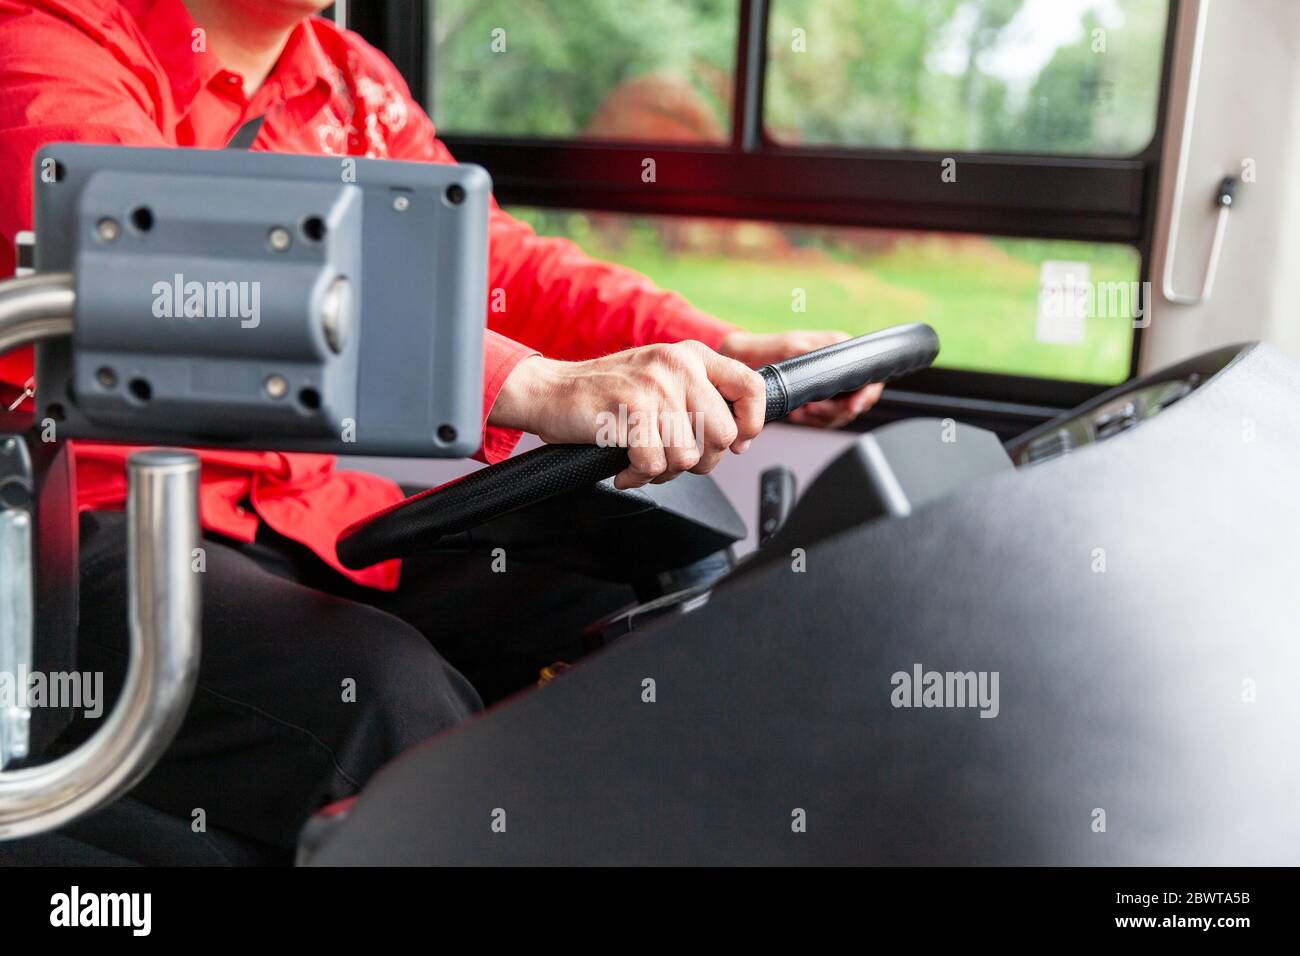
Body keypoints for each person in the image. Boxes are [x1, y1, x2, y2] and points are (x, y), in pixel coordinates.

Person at [0, 0, 883, 858]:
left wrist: (711, 347)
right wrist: (530, 382)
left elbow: (501, 268)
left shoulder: (350, 85)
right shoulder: (46, 35)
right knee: (385, 693)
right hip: (85, 531)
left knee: (637, 604)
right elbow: (160, 264)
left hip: (301, 507)